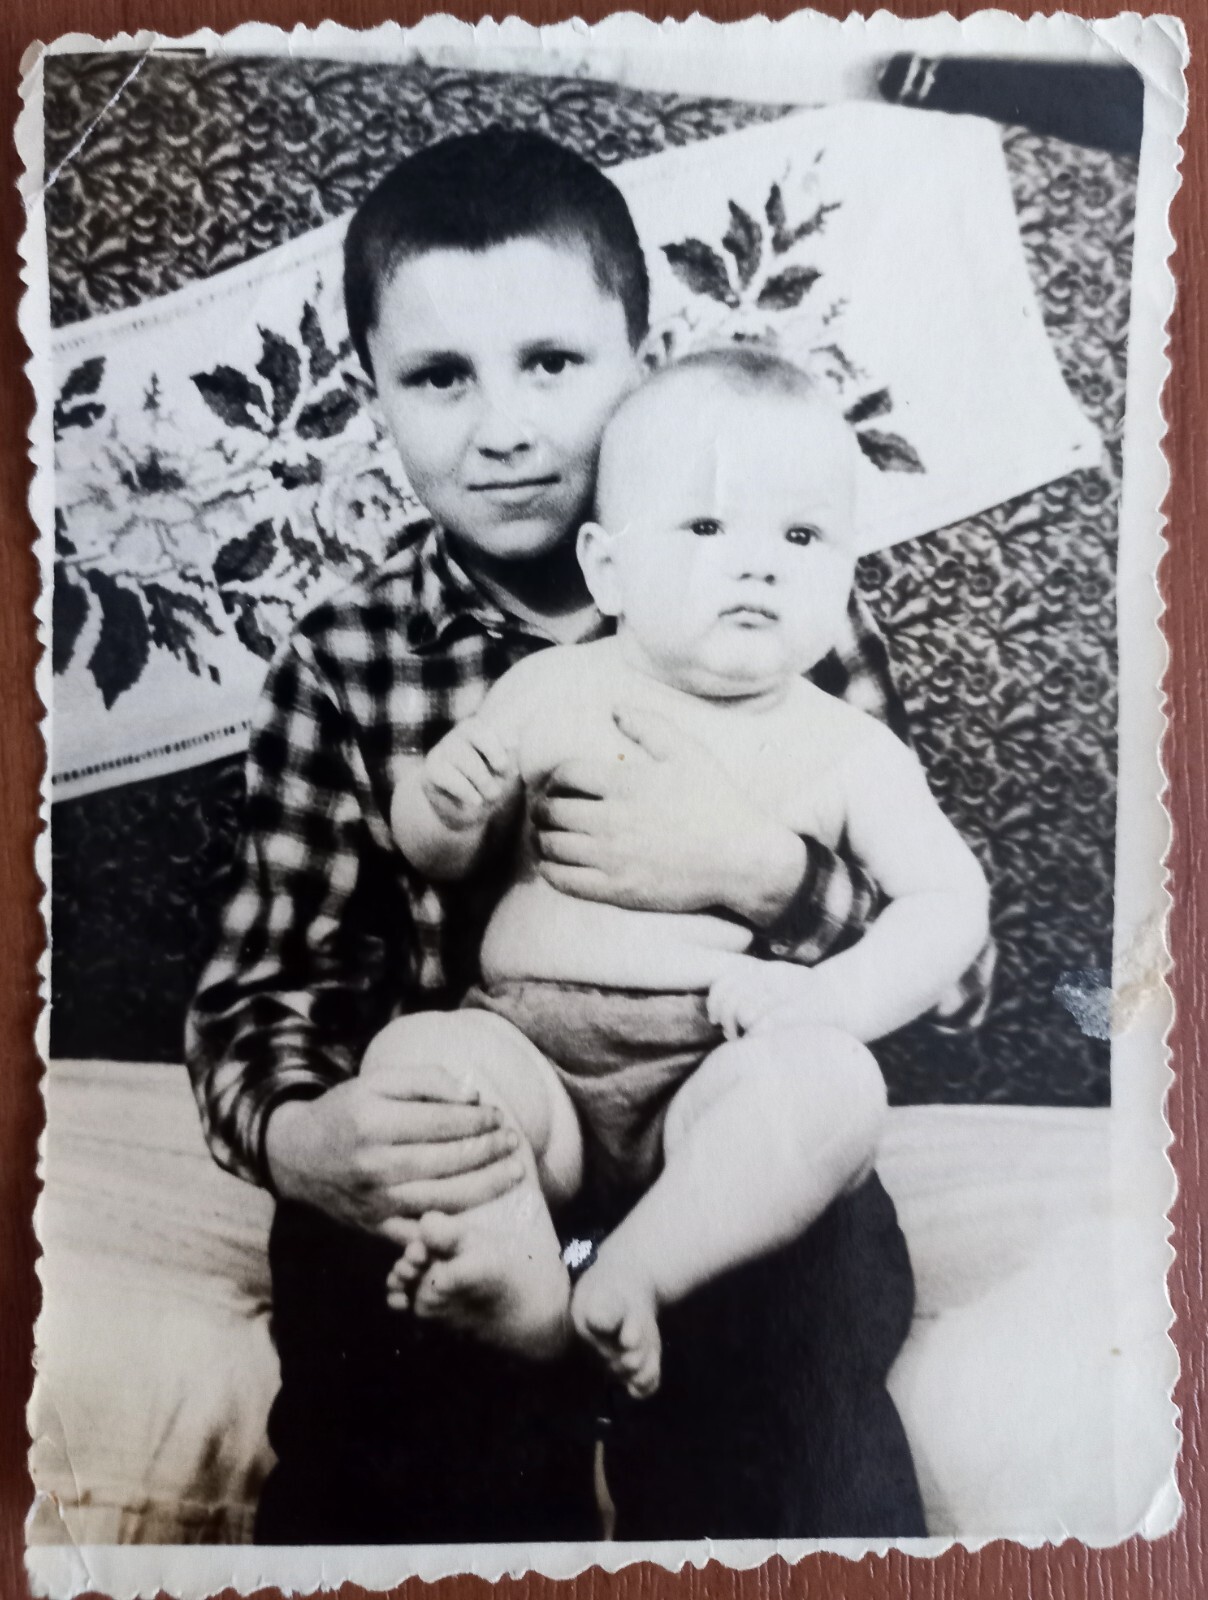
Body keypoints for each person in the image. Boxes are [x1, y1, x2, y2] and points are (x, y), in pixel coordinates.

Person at [187, 128, 991, 1542]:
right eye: (440, 376)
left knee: (787, 1381)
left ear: (641, 351)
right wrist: (312, 1140)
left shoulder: (784, 605)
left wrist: (765, 879)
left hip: (723, 1122)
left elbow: (958, 975)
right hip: (495, 1131)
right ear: (372, 398)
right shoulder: (352, 655)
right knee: (399, 1397)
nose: (504, 427)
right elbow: (269, 989)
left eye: (553, 364)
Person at [384, 347, 990, 1401]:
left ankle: (636, 1272)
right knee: (417, 1056)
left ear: (844, 572)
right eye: (705, 528)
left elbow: (951, 907)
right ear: (607, 568)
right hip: (532, 1060)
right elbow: (433, 854)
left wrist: (825, 997)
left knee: (836, 1089)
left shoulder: (848, 748)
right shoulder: (551, 686)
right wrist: (443, 799)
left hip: (710, 1083)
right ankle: (522, 1284)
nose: (757, 564)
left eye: (799, 536)